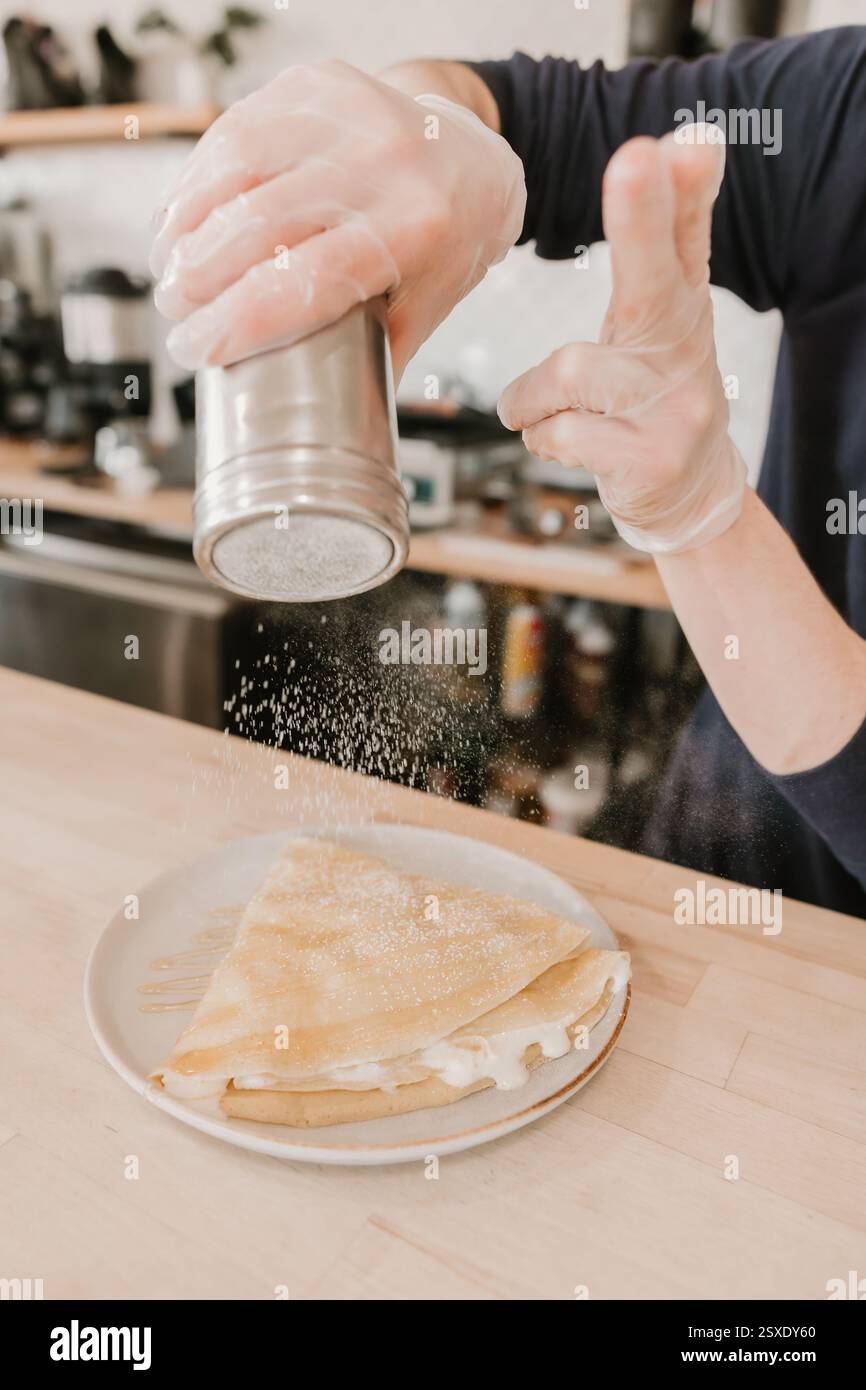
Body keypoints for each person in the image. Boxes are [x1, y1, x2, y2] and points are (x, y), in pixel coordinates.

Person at [150, 26, 866, 917]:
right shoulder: (849, 106)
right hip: (711, 856)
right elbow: (542, 117)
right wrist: (433, 130)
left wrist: (706, 521)